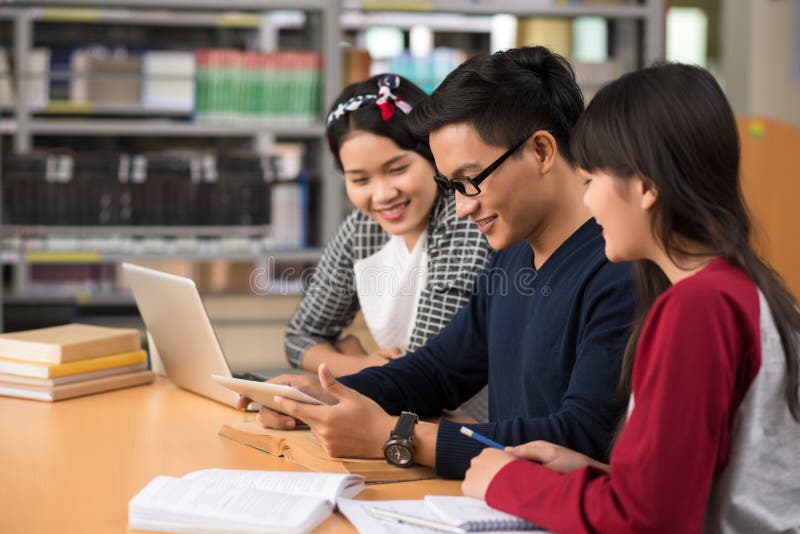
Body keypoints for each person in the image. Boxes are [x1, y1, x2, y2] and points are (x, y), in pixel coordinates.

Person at [243, 46, 635, 479]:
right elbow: (438, 370)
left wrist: (393, 436)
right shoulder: (514, 256)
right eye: (452, 186)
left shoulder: (621, 271)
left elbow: (579, 438)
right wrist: (322, 397)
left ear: (542, 150)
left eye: (470, 181)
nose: (463, 208)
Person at [461, 63, 800, 533]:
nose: (587, 201)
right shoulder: (743, 289)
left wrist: (508, 481)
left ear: (645, 186)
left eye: (591, 180)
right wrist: (593, 473)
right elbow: (685, 493)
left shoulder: (697, 308)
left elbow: (647, 520)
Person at [284, 73, 492, 418]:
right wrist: (359, 364)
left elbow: (424, 370)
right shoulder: (361, 228)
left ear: (432, 154)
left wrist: (347, 362)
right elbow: (300, 336)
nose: (382, 195)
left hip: (472, 425)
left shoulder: (463, 220)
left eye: (397, 169)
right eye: (360, 179)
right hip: (398, 410)